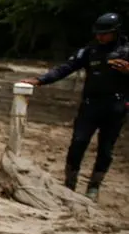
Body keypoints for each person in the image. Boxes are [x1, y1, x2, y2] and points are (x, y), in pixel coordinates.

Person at [21, 12, 129, 201]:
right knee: (78, 142)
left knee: (106, 149)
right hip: (90, 105)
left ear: (116, 32)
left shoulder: (126, 51)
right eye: (98, 33)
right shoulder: (90, 51)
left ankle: (94, 187)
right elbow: (66, 68)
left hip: (115, 106)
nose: (100, 37)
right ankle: (69, 184)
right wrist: (40, 80)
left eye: (104, 34)